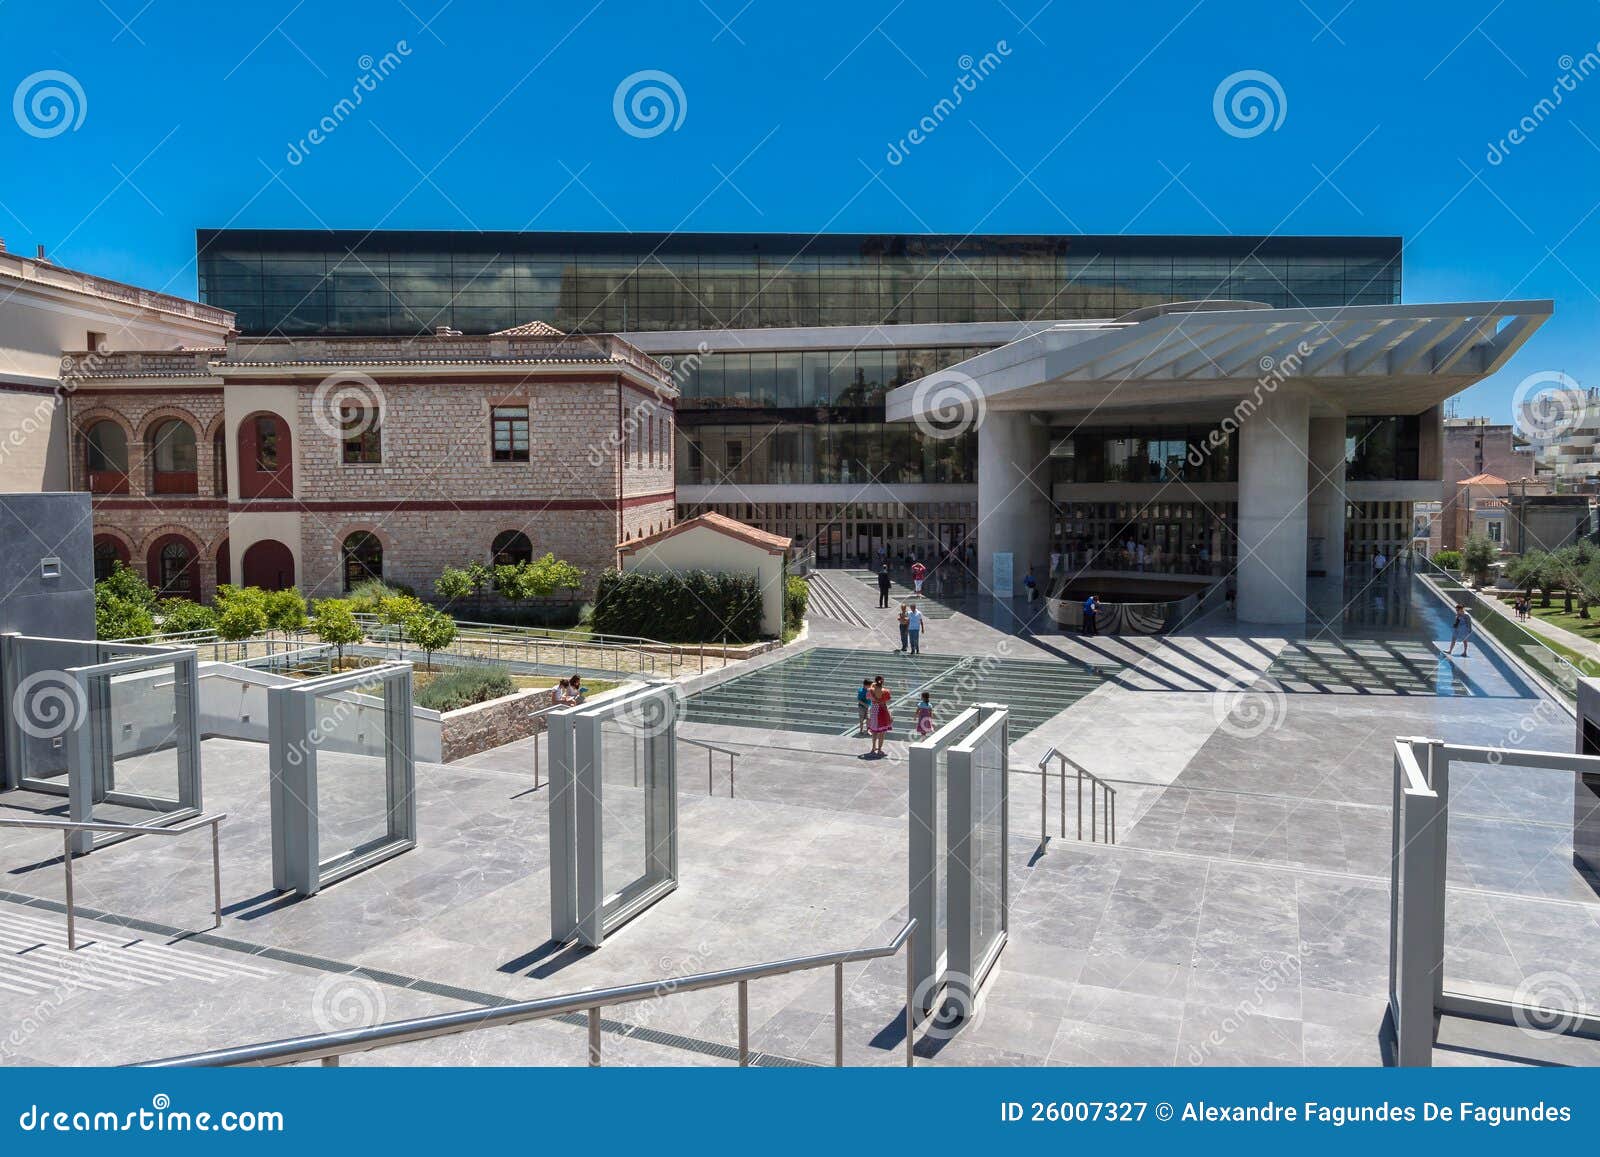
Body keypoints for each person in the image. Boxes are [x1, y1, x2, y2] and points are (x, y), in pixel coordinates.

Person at [866, 675, 893, 756]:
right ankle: (880, 750)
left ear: (875, 681)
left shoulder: (871, 690)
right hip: (882, 710)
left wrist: (872, 686)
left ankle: (873, 748)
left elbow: (867, 697)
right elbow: (887, 700)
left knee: (874, 731)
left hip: (874, 709)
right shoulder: (886, 691)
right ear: (883, 681)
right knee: (882, 732)